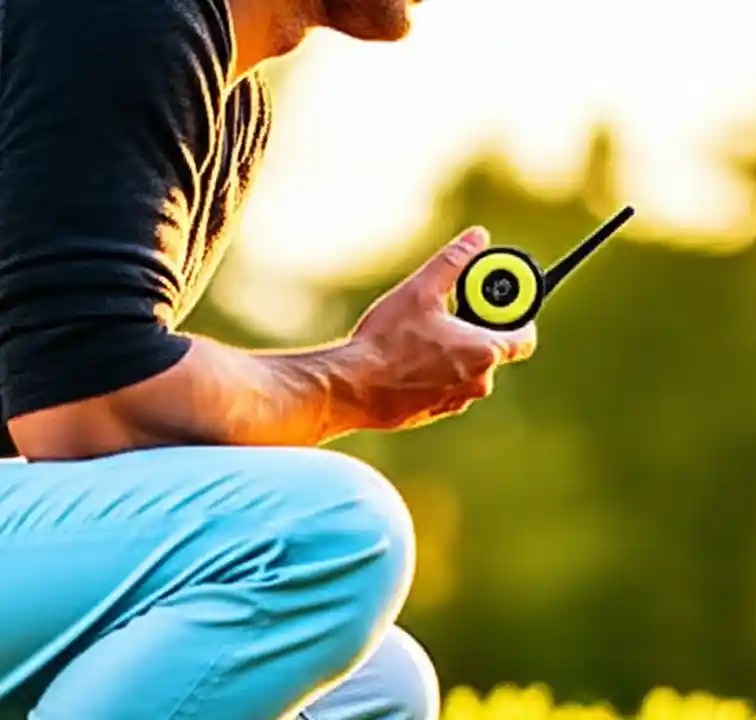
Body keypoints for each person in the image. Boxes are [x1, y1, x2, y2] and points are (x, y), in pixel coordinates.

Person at [0, 0, 536, 717]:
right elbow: (85, 406)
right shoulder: (122, 17)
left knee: (377, 687)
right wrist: (363, 379)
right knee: (333, 531)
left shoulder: (229, 100)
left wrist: (362, 372)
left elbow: (90, 417)